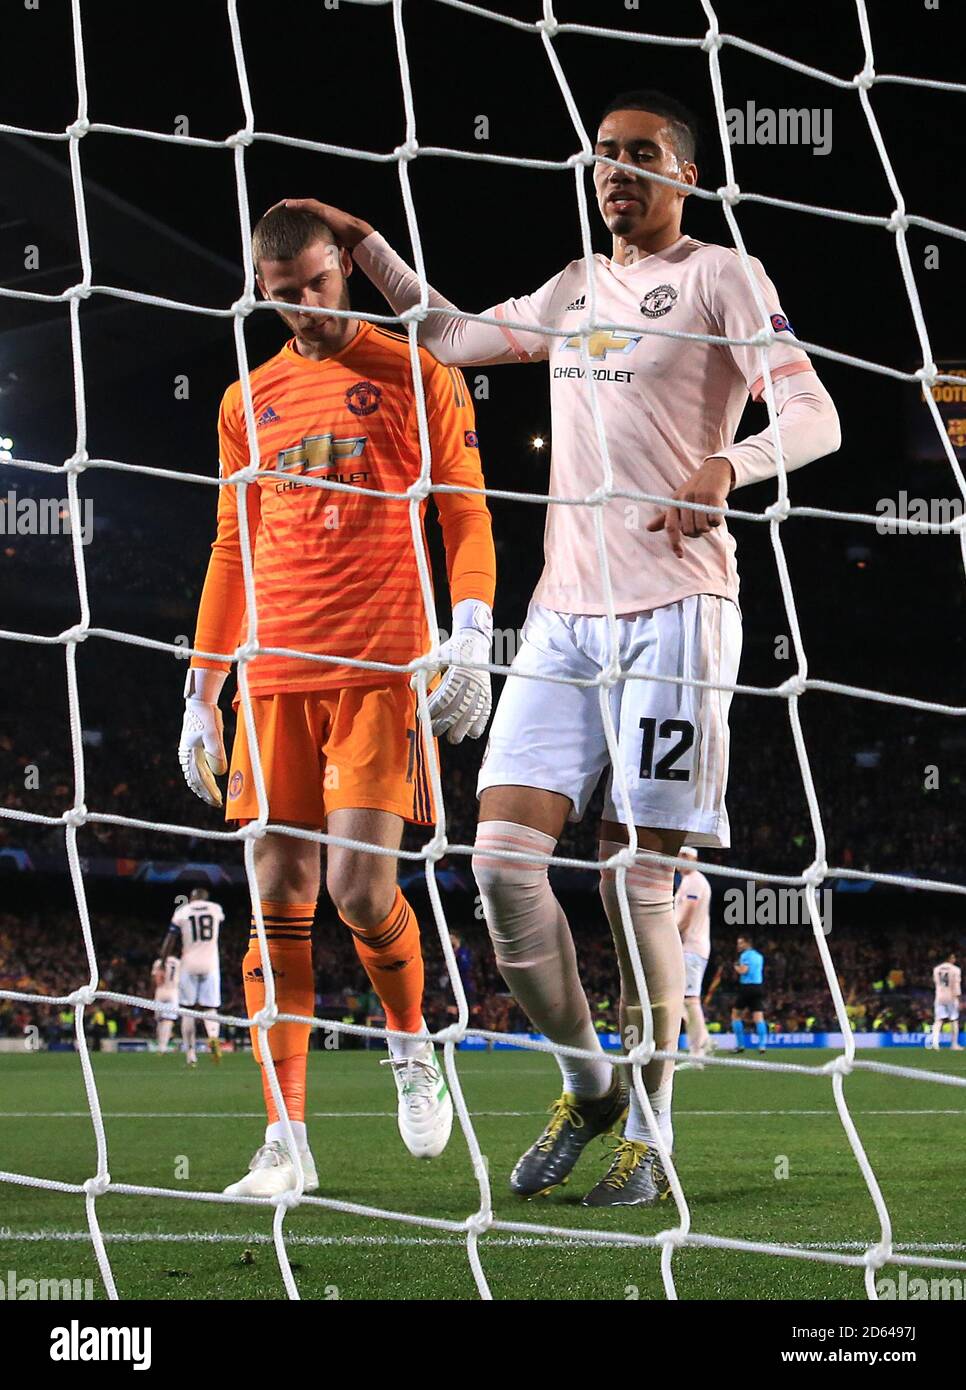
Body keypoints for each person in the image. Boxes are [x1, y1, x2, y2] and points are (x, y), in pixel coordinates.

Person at [286, 86, 840, 1207]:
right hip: (562, 618)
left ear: (685, 175)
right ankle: (589, 1086)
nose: (617, 172)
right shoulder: (576, 288)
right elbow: (449, 337)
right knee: (498, 866)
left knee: (637, 879)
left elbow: (818, 414)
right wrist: (369, 248)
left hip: (677, 613)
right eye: (604, 156)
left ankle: (650, 1128)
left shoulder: (727, 276)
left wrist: (734, 464)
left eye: (642, 156)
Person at [178, 204, 496, 1197]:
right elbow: (233, 547)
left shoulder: (416, 373)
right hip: (272, 678)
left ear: (344, 272)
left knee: (360, 893)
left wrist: (476, 637)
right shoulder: (246, 400)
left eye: (313, 288)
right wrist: (202, 691)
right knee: (275, 899)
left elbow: (465, 512)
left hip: (379, 670)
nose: (301, 311)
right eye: (279, 298)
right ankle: (287, 1139)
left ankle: (411, 1045)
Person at [159, 888, 224, 1066]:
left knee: (187, 1009)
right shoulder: (215, 909)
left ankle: (191, 1055)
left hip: (188, 963)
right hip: (210, 963)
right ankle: (213, 1036)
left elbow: (170, 938)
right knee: (210, 1008)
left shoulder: (183, 911)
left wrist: (162, 961)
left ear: (191, 898)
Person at [674, 847, 713, 1065]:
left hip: (690, 947)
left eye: (685, 857)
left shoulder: (694, 882)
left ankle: (697, 1052)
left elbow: (687, 915)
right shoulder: (690, 882)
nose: (681, 861)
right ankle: (703, 1042)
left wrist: (669, 936)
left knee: (690, 1000)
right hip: (688, 948)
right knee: (683, 999)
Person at [732, 935, 767, 1053]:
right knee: (758, 1017)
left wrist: (736, 966)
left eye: (741, 943)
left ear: (747, 943)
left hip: (747, 987)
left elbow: (744, 971)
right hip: (758, 987)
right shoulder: (759, 956)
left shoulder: (745, 956)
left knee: (735, 1015)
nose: (739, 946)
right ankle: (762, 1046)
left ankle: (741, 1045)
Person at [928, 952, 962, 1051]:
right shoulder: (956, 969)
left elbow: (936, 982)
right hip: (951, 997)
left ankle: (935, 1044)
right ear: (949, 958)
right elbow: (956, 985)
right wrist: (958, 998)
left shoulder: (936, 969)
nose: (954, 959)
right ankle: (954, 1044)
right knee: (954, 1020)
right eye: (953, 957)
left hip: (939, 996)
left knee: (938, 1020)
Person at [151, 952, 181, 1055]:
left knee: (160, 1020)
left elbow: (155, 979)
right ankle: (163, 1046)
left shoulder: (158, 962)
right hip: (172, 992)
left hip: (160, 991)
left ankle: (160, 1046)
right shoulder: (178, 962)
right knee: (168, 1021)